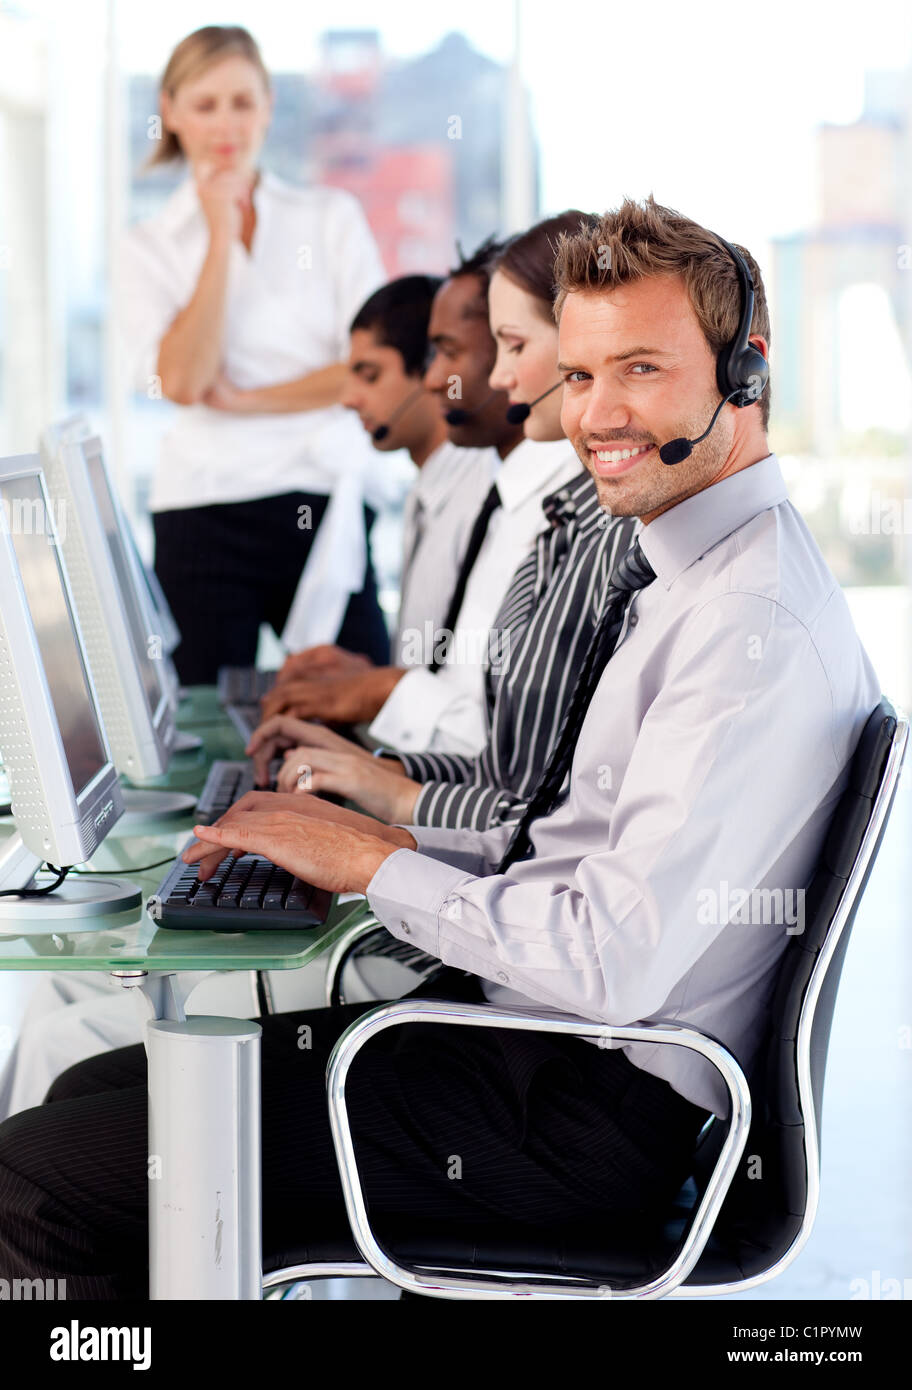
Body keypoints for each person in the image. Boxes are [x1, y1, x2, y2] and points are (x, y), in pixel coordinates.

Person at [0, 197, 881, 1299]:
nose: (594, 412)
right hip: (531, 1060)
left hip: (574, 1123)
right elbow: (576, 861)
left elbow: (606, 959)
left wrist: (376, 862)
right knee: (83, 1095)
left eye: (641, 370)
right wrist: (362, 825)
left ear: (744, 373)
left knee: (32, 1178)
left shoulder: (746, 627)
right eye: (582, 372)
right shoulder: (692, 573)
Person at [245, 213, 638, 834]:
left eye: (453, 352)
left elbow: (528, 790)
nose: (434, 379)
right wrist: (373, 766)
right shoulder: (520, 503)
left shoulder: (588, 523)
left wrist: (384, 773)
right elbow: (510, 765)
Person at [115, 25, 389, 684]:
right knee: (204, 719)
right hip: (203, 508)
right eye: (205, 105)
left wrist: (243, 399)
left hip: (319, 498)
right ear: (172, 112)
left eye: (242, 102)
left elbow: (372, 368)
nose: (225, 124)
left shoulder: (330, 218)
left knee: (362, 707)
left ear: (268, 106)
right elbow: (181, 378)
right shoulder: (148, 246)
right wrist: (219, 236)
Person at [257, 238, 580, 757]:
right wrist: (368, 682)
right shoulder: (479, 493)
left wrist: (379, 691)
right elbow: (454, 679)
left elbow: (507, 743)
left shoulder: (536, 506)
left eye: (370, 374)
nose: (435, 381)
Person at [277, 274, 498, 684]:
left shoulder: (481, 496)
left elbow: (469, 687)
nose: (347, 398)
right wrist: (362, 680)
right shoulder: (424, 489)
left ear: (431, 370)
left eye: (370, 374)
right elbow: (425, 666)